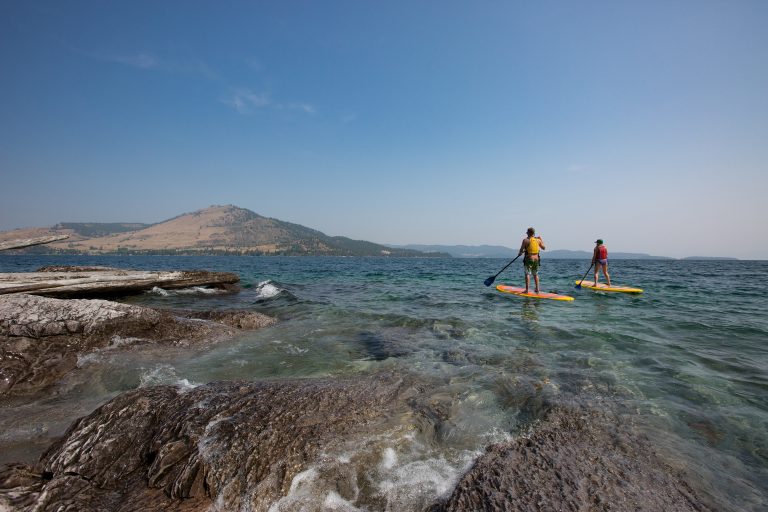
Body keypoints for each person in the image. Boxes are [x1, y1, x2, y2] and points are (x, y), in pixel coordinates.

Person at [518, 227, 545, 293]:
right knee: (535, 274)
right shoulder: (538, 240)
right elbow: (543, 248)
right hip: (536, 259)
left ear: (529, 233)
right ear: (534, 233)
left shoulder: (525, 240)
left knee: (527, 274)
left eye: (527, 232)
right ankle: (537, 289)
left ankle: (527, 290)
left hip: (529, 259)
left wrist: (520, 253)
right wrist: (541, 239)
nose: (527, 234)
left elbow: (521, 250)